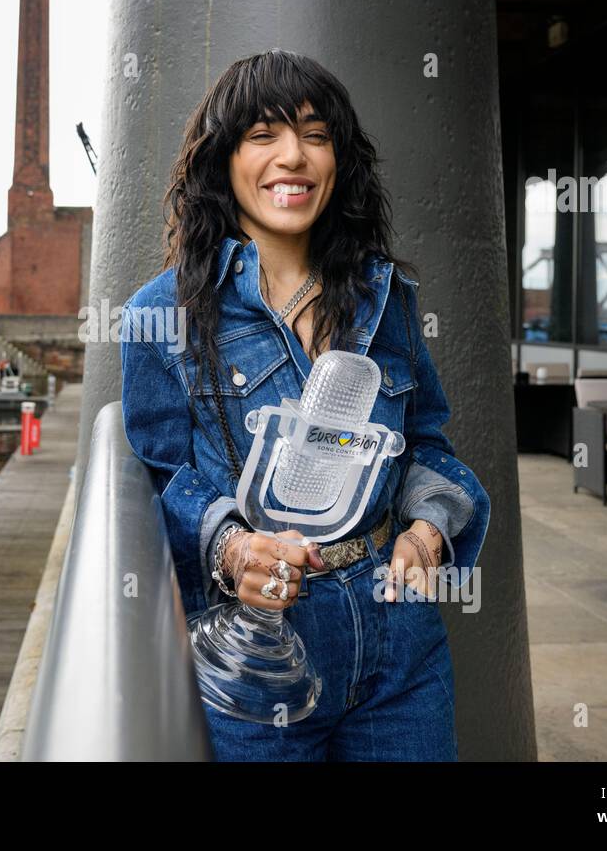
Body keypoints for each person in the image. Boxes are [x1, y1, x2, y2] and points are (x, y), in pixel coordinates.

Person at [119, 49, 490, 761]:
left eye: (316, 136)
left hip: (399, 642)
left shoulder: (388, 300)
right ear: (224, 159)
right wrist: (231, 548)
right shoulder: (159, 315)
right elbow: (162, 481)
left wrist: (427, 531)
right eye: (264, 135)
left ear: (338, 160)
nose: (293, 156)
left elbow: (426, 445)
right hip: (258, 652)